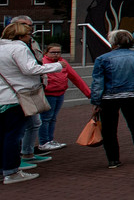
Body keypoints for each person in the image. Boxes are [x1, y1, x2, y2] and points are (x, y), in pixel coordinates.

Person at [0, 22, 64, 185]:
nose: (30, 38)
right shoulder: (19, 48)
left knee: (4, 135)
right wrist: (57, 66)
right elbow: (29, 69)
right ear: (21, 36)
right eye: (29, 34)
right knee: (13, 136)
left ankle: (3, 170)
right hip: (17, 97)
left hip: (3, 97)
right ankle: (11, 171)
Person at [89, 29, 134, 169]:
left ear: (113, 42)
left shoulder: (102, 59)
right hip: (132, 95)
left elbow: (97, 83)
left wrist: (96, 101)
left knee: (109, 129)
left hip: (109, 97)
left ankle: (113, 159)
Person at [37, 44, 92, 152]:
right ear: (46, 53)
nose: (56, 54)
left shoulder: (63, 62)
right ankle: (44, 142)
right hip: (48, 94)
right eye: (53, 52)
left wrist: (88, 93)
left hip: (60, 94)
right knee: (45, 118)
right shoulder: (43, 63)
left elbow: (75, 78)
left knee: (52, 118)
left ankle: (50, 140)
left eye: (58, 52)